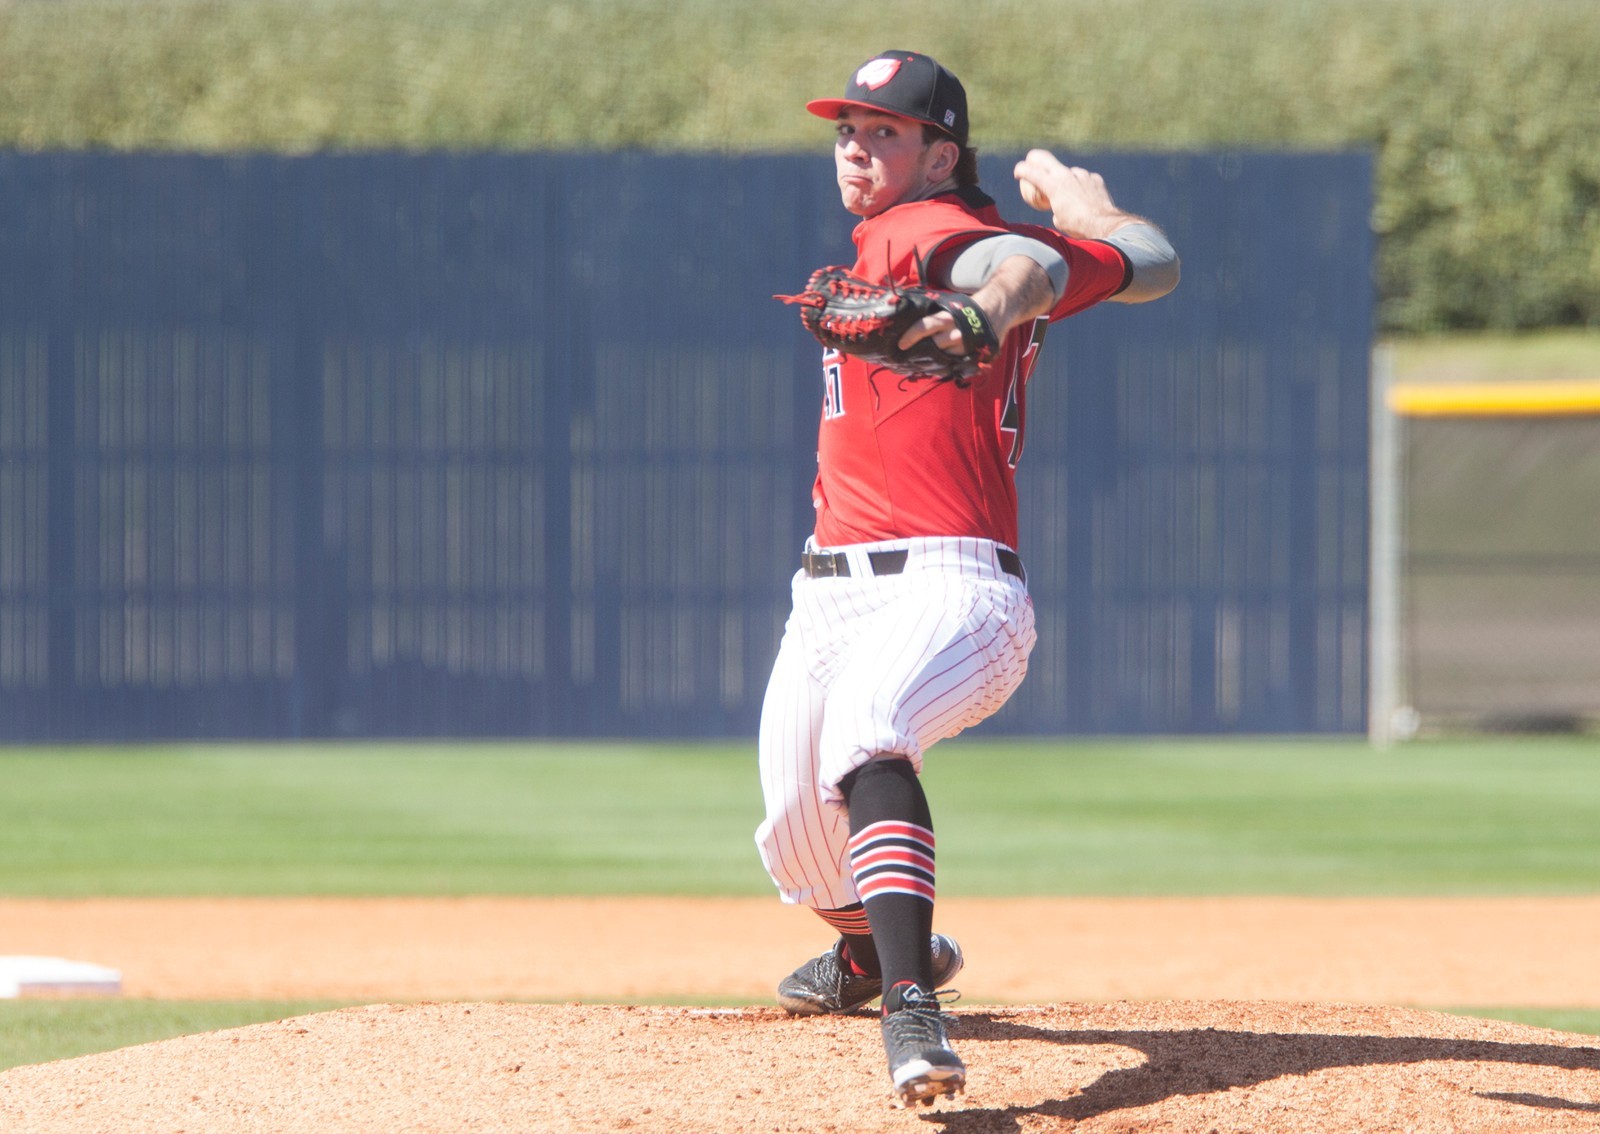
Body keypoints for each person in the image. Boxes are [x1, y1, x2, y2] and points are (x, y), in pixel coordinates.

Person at [756, 49, 1180, 1107]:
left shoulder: (929, 230)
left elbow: (1009, 269)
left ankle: (912, 1019)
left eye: (884, 132)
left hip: (950, 587)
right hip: (827, 597)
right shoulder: (957, 235)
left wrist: (989, 307)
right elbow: (1152, 260)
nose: (855, 147)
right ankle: (874, 954)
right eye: (845, 130)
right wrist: (1097, 216)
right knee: (801, 851)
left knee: (869, 727)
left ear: (939, 153)